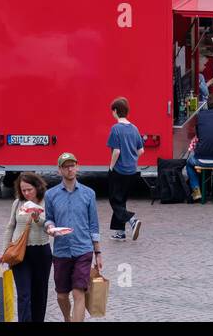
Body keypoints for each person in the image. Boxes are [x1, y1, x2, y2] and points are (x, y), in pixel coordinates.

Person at [43, 152, 101, 323]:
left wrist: (98, 252)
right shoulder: (51, 195)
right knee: (61, 295)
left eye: (72, 165)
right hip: (61, 250)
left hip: (83, 249)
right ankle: (67, 318)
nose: (70, 169)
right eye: (66, 166)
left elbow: (93, 225)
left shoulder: (88, 193)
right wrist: (50, 227)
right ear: (59, 170)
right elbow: (49, 218)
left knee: (78, 292)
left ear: (77, 167)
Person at [2, 172, 52, 323]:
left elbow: (49, 226)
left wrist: (38, 218)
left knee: (39, 293)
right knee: (24, 294)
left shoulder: (46, 202)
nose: (26, 193)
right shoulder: (17, 203)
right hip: (20, 253)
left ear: (37, 187)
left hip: (41, 251)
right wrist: (5, 250)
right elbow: (10, 226)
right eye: (23, 190)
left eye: (29, 189)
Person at [106, 97, 145, 241]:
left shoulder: (116, 128)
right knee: (121, 200)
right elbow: (141, 151)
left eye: (112, 111)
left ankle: (132, 220)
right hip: (132, 170)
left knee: (114, 201)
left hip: (119, 170)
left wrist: (111, 166)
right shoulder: (134, 128)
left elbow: (116, 151)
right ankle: (120, 233)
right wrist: (132, 159)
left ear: (115, 111)